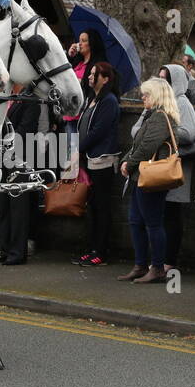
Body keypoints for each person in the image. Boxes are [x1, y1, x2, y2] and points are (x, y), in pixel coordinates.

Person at [118, 77, 178, 284]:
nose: (142, 97)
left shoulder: (161, 117)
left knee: (152, 223)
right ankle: (140, 265)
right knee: (136, 222)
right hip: (140, 176)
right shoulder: (152, 115)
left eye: (146, 94)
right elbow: (137, 145)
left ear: (157, 96)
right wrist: (127, 161)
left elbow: (147, 147)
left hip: (150, 178)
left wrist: (129, 163)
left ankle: (158, 268)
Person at [73, 62, 121, 267]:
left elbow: (99, 130)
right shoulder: (92, 99)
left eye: (95, 74)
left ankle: (101, 251)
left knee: (102, 207)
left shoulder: (109, 101)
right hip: (90, 159)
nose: (90, 77)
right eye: (90, 73)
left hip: (103, 160)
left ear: (106, 78)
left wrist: (79, 149)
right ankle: (91, 249)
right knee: (92, 206)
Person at [156, 64, 195, 271]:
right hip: (156, 167)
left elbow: (189, 133)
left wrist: (160, 130)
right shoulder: (156, 102)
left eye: (166, 79)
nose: (161, 82)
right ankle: (157, 260)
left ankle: (169, 261)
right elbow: (136, 129)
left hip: (174, 167)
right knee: (159, 214)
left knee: (172, 215)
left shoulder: (182, 103)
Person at [0, 84, 42, 265]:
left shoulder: (31, 101)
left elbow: (24, 131)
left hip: (20, 158)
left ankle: (17, 252)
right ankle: (5, 249)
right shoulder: (10, 97)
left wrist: (3, 143)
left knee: (18, 207)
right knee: (4, 205)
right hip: (4, 156)